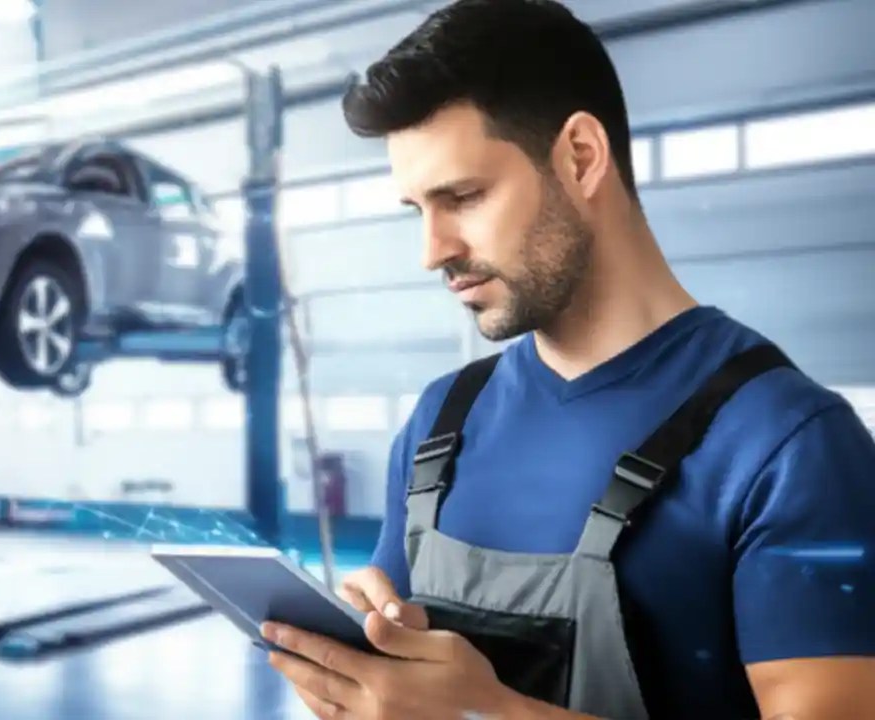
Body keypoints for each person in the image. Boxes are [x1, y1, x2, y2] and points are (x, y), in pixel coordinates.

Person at [260, 1, 875, 718]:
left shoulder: (790, 447)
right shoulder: (440, 422)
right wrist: (362, 681)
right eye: (416, 209)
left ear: (581, 157)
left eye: (463, 196)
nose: (433, 251)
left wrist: (486, 714)